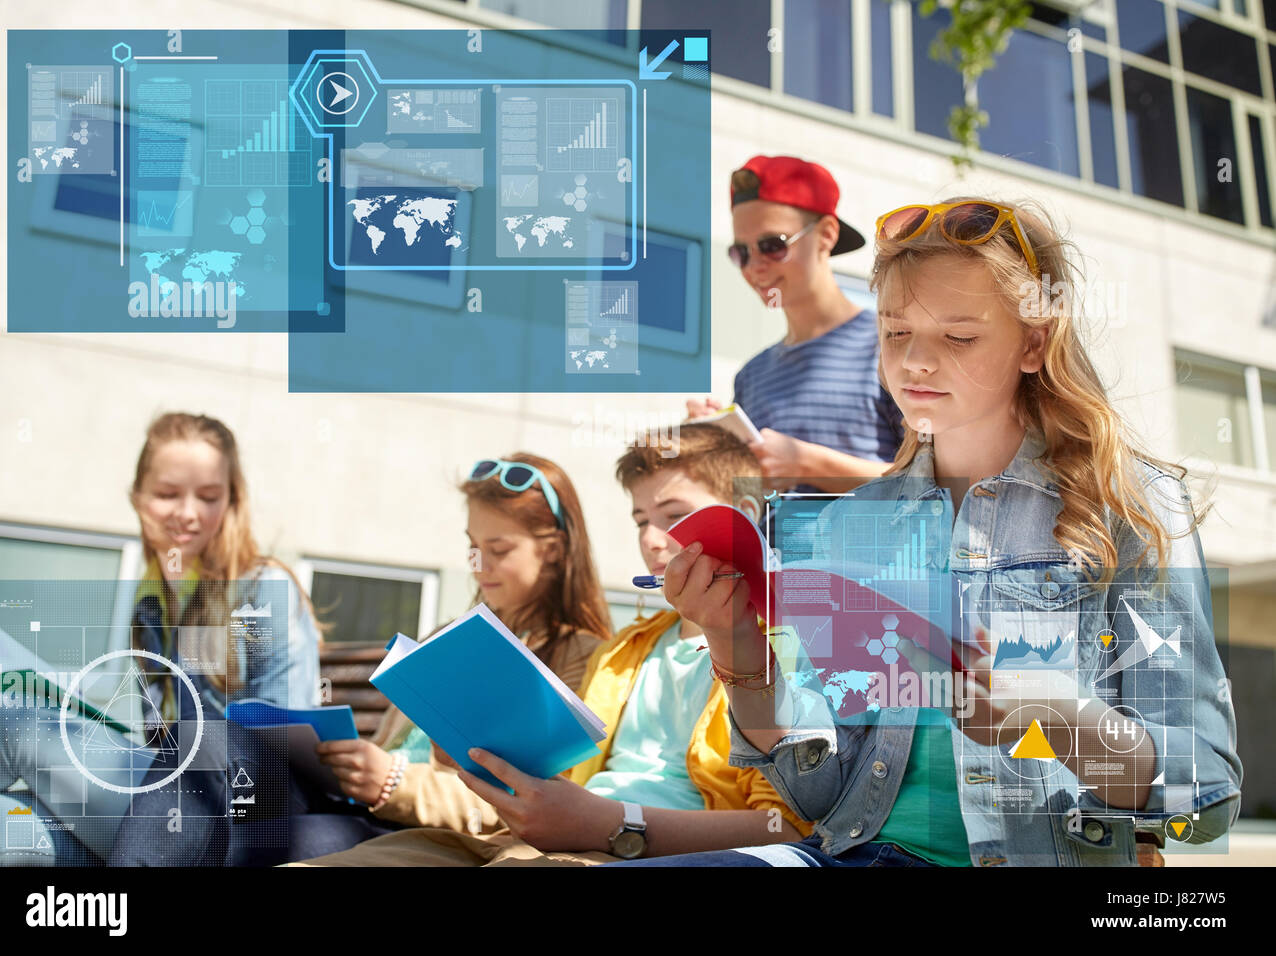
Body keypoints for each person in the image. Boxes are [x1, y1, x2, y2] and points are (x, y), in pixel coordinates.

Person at [636, 198, 1242, 866]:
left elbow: (1207, 789)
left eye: (958, 337)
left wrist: (1064, 723)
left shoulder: (1133, 507)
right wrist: (739, 653)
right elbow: (820, 798)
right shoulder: (853, 522)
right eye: (896, 334)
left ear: (1034, 344)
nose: (916, 364)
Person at [291, 424, 812, 866]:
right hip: (540, 836)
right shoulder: (625, 652)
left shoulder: (790, 646)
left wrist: (612, 824)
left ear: (744, 513)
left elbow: (787, 827)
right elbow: (558, 782)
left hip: (620, 845)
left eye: (675, 516)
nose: (653, 538)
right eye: (640, 520)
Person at [0, 412, 321, 866]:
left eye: (210, 497)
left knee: (14, 725)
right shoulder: (152, 603)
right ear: (137, 497)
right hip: (165, 803)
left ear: (233, 501)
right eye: (167, 494)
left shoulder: (263, 590)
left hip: (239, 810)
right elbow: (159, 739)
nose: (188, 514)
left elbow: (285, 747)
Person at [311, 453, 613, 838]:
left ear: (553, 549)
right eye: (473, 545)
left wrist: (394, 782)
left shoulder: (586, 656)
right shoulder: (451, 633)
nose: (478, 565)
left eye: (499, 550)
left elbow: (543, 801)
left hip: (425, 830)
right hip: (369, 809)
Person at [688, 155, 904, 493]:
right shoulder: (751, 376)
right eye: (741, 253)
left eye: (772, 246)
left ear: (826, 235)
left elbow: (934, 486)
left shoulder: (892, 344)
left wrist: (807, 463)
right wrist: (711, 448)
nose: (754, 266)